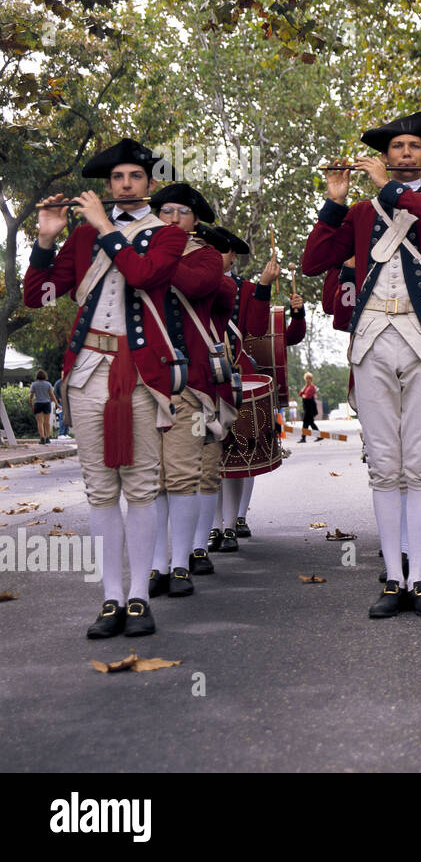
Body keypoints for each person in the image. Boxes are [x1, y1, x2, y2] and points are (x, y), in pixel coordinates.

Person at [25, 138, 187, 638]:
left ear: (150, 184)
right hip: (90, 369)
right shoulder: (81, 238)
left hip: (141, 374)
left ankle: (139, 595)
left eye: (134, 177)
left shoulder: (168, 235)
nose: (124, 185)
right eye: (117, 178)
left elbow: (143, 275)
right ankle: (110, 598)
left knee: (140, 486)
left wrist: (102, 228)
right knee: (99, 489)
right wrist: (48, 240)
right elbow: (38, 296)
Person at [302, 111, 421, 617]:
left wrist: (385, 190)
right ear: (386, 156)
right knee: (385, 466)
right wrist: (334, 199)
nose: (405, 153)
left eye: (414, 146)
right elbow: (313, 261)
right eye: (397, 147)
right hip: (371, 338)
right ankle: (393, 578)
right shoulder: (361, 214)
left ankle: (418, 576)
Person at [145, 183, 227, 601]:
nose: (172, 219)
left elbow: (196, 287)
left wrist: (161, 254)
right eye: (164, 212)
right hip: (145, 380)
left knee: (181, 475)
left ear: (196, 221)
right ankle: (157, 565)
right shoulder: (139, 252)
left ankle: (181, 564)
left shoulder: (208, 256)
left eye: (181, 213)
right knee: (152, 481)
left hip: (191, 383)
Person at [210, 225, 279, 549]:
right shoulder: (188, 282)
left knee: (235, 451)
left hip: (234, 371)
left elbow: (255, 327)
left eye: (221, 251)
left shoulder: (246, 288)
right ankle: (211, 526)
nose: (213, 256)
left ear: (232, 257)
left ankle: (231, 523)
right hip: (199, 376)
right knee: (206, 455)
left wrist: (263, 288)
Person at [29, 370, 55, 444]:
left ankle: (42, 438)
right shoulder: (48, 384)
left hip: (38, 403)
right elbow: (52, 395)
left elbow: (31, 394)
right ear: (44, 376)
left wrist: (30, 400)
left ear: (37, 376)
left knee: (40, 422)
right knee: (47, 422)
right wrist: (56, 403)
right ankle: (47, 438)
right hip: (46, 403)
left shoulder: (34, 384)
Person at [298, 372, 319, 442]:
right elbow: (300, 394)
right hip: (306, 407)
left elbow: (307, 396)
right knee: (308, 423)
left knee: (307, 423)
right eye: (306, 378)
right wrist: (304, 388)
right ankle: (304, 438)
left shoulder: (312, 387)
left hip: (309, 408)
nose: (307, 380)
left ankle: (304, 438)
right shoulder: (306, 386)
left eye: (309, 378)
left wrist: (304, 396)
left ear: (311, 379)